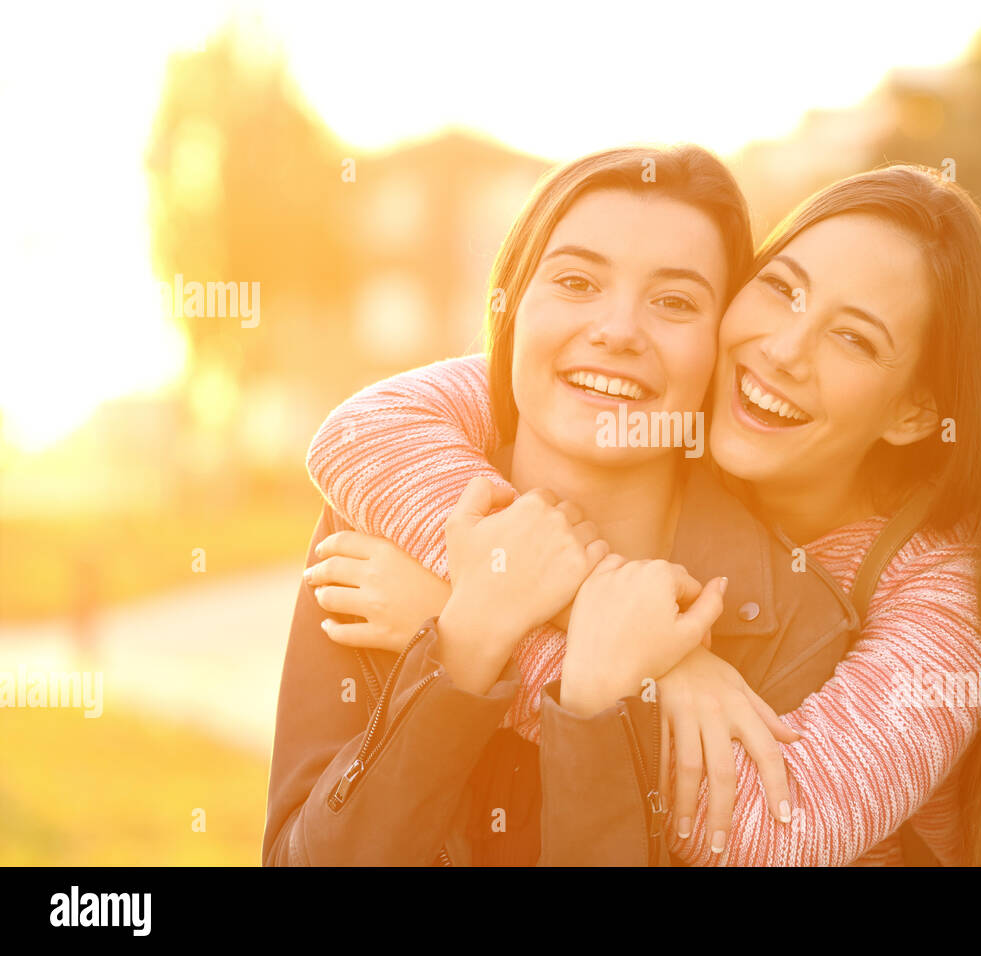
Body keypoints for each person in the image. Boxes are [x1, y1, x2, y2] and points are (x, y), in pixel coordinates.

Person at [300, 162, 981, 865]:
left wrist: (471, 637)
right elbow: (366, 431)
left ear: (913, 412)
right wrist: (586, 619)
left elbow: (777, 828)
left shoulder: (945, 594)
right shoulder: (651, 402)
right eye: (783, 290)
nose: (784, 351)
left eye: (854, 340)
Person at [263, 145, 861, 866]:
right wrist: (465, 646)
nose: (618, 331)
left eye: (675, 302)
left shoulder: (795, 619)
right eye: (577, 282)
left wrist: (594, 711)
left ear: (720, 350)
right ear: (513, 305)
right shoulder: (379, 527)